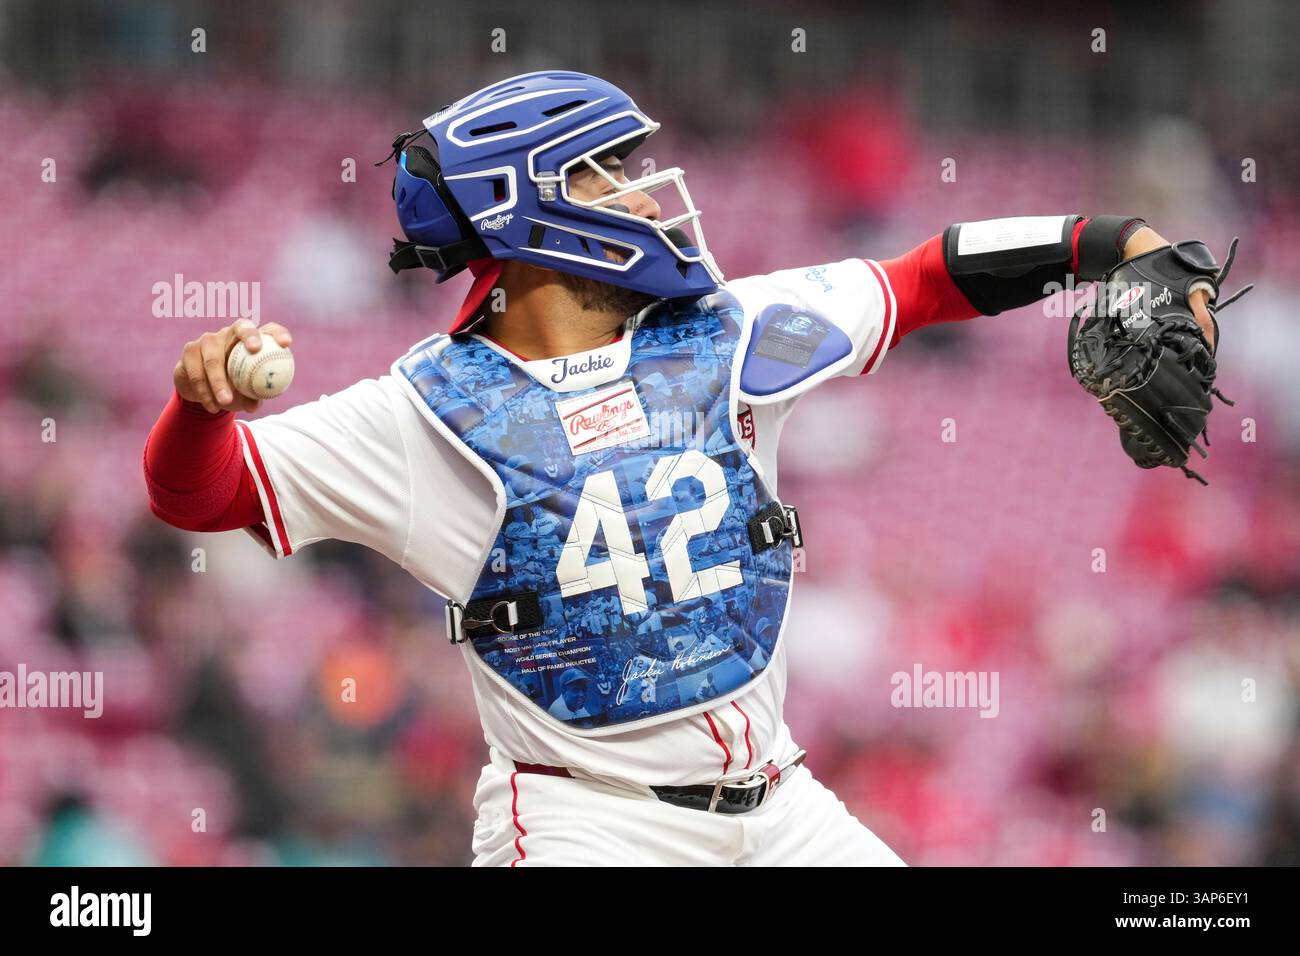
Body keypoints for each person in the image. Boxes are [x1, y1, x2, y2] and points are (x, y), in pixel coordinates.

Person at [144, 70, 1221, 866]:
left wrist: (1106, 239)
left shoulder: (730, 332)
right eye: (603, 170)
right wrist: (198, 410)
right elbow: (200, 492)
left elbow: (921, 278)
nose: (643, 191)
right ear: (529, 209)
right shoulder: (420, 412)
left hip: (780, 803)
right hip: (585, 821)